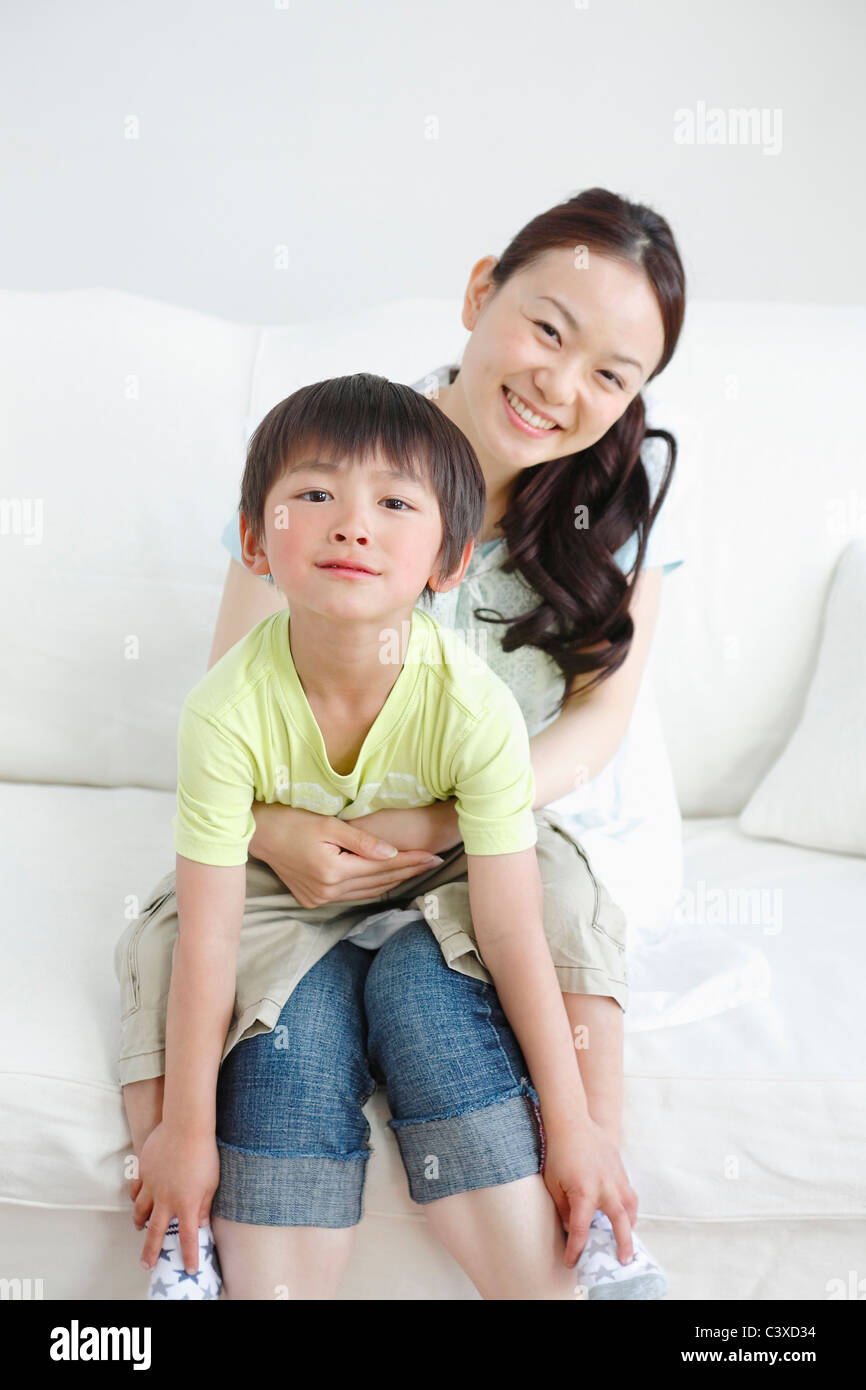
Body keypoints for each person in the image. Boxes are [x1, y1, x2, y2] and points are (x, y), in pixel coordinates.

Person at [120, 186, 686, 1300]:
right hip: (307, 817)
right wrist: (279, 827)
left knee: (544, 912)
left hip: (496, 810)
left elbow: (598, 721)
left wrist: (457, 816)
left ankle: (597, 1206)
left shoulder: (611, 506)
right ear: (480, 293)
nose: (560, 385)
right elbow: (235, 684)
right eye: (545, 329)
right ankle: (177, 1231)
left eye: (610, 375)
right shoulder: (338, 456)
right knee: (172, 935)